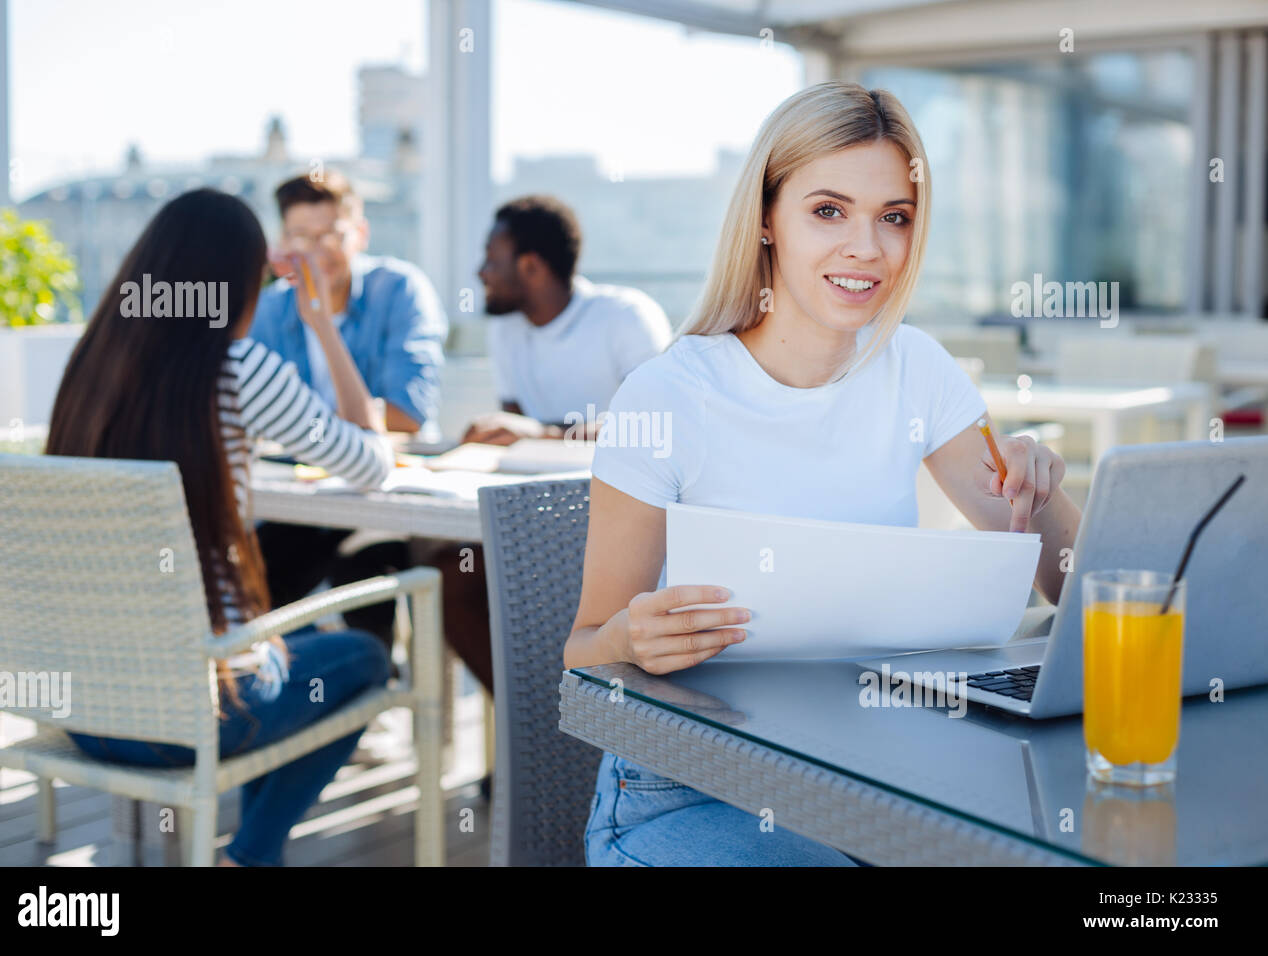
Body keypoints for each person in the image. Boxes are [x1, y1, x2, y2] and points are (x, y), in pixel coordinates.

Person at [563, 81, 1083, 866]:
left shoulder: (916, 369)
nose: (866, 249)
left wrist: (1038, 489)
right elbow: (582, 649)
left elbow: (1074, 581)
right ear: (766, 220)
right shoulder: (669, 395)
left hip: (878, 770)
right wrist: (630, 637)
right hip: (692, 787)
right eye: (829, 211)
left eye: (894, 218)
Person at [48, 188, 396, 866]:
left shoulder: (89, 371)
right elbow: (373, 465)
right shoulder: (237, 370)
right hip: (193, 719)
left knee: (287, 639)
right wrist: (322, 322)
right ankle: (252, 854)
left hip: (89, 712)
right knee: (365, 660)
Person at [247, 171, 447, 654]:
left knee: (365, 559)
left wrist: (306, 426)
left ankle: (370, 683)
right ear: (282, 244)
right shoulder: (271, 308)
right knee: (260, 570)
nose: (316, 252)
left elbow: (409, 411)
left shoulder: (397, 289)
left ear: (359, 234)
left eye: (330, 235)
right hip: (309, 488)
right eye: (301, 237)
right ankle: (306, 684)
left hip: (390, 491)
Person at [465, 195, 671, 445]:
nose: (481, 273)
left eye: (491, 260)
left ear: (530, 267)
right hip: (536, 478)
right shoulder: (505, 327)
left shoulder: (626, 315)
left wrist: (545, 434)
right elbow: (514, 427)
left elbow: (653, 423)